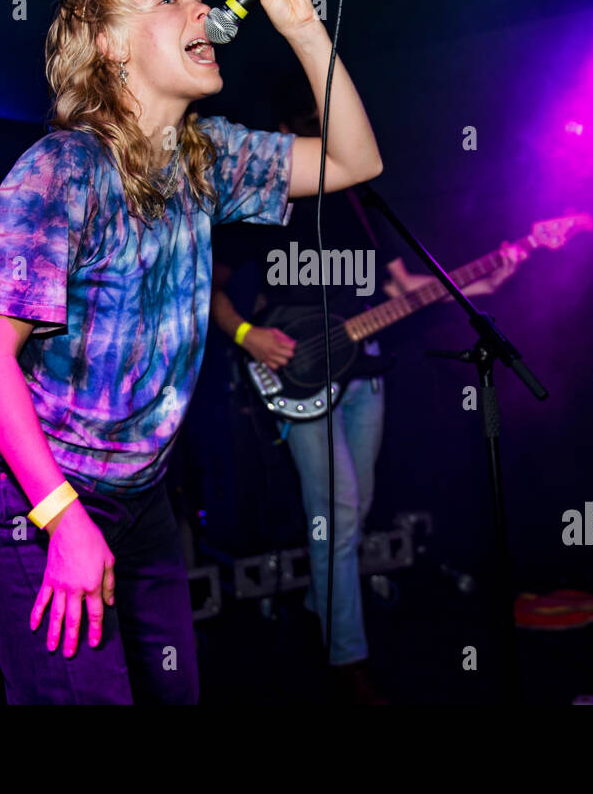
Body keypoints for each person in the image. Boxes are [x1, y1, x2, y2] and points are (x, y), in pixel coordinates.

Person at [0, 0, 382, 704]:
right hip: (30, 495)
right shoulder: (60, 170)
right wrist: (64, 520)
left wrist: (304, 29)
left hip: (141, 497)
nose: (207, 9)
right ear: (111, 48)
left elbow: (354, 161)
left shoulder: (203, 159)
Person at [210, 76, 525, 703]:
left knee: (353, 513)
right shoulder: (261, 206)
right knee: (338, 515)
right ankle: (347, 662)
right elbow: (208, 292)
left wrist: (482, 282)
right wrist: (248, 335)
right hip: (296, 378)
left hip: (364, 377)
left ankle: (320, 609)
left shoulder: (356, 203)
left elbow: (406, 288)